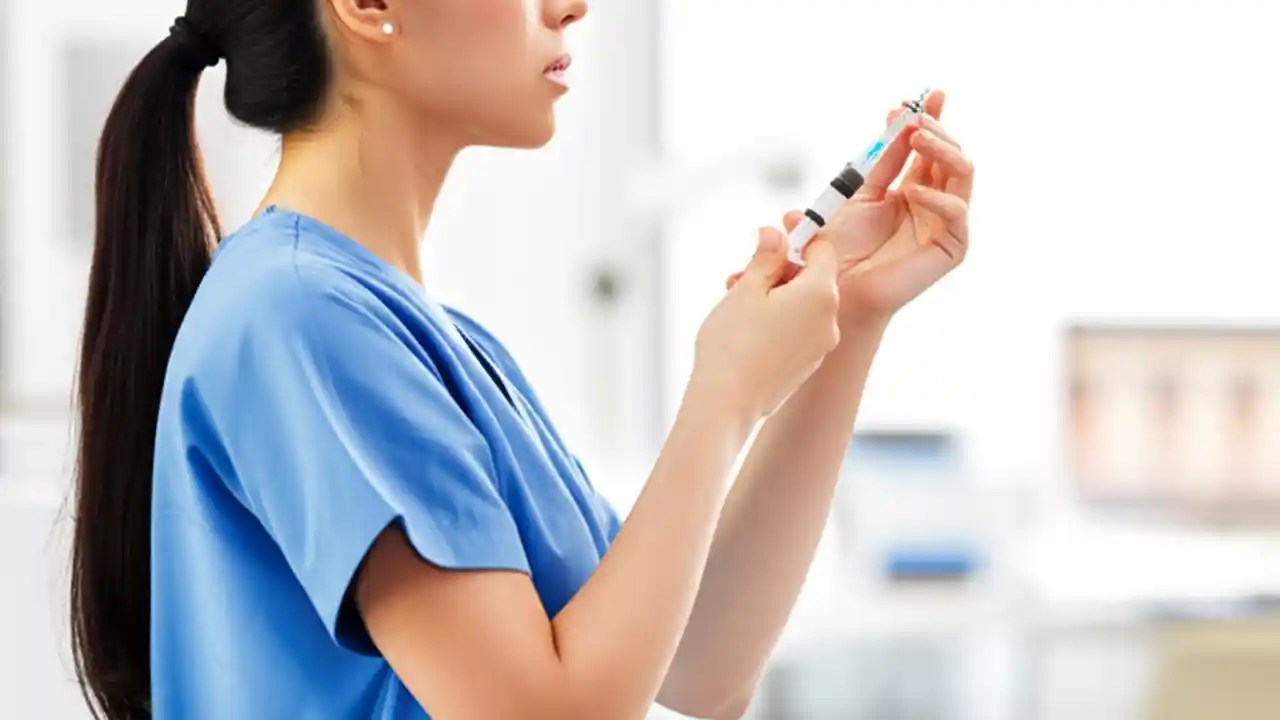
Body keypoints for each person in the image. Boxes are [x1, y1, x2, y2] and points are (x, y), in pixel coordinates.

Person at [68, 0, 974, 717]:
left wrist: (848, 318)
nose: (572, 7)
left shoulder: (427, 336)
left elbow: (699, 665)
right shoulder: (300, 318)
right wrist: (723, 395)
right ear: (368, 3)